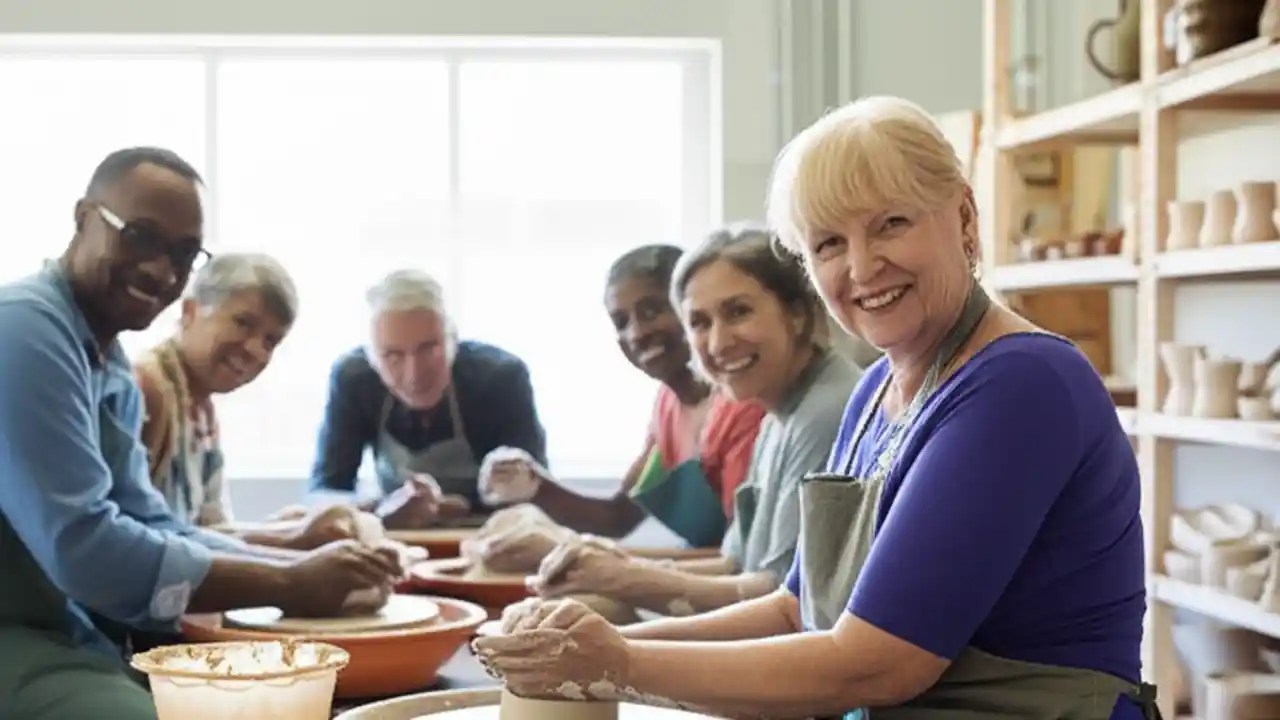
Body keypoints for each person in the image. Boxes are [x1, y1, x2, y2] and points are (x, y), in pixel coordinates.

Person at [474, 96, 1158, 719]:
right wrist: (591, 643)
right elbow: (795, 609)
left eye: (890, 223)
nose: (861, 268)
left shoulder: (1020, 384)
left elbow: (878, 662)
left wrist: (615, 666)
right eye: (829, 243)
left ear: (964, 217)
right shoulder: (873, 394)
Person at [0, 147, 403, 720]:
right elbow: (84, 548)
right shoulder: (24, 329)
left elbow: (155, 523)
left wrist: (298, 570)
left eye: (185, 254)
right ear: (83, 217)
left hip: (76, 634)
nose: (163, 270)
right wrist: (290, 581)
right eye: (141, 236)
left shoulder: (105, 358)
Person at [527, 224, 861, 616]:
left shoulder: (825, 414)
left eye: (738, 312)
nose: (718, 344)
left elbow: (785, 599)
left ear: (799, 314)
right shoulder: (775, 415)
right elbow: (735, 563)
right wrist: (615, 567)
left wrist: (623, 579)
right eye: (700, 323)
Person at [475, 244, 767, 552]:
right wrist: (531, 483)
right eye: (621, 322)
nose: (636, 333)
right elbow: (617, 517)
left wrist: (619, 570)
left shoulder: (743, 405)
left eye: (651, 311)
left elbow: (744, 558)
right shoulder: (668, 405)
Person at [134, 252, 349, 549]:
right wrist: (288, 538)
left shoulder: (202, 409)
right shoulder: (147, 391)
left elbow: (207, 533)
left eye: (270, 341)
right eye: (243, 323)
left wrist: (285, 529)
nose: (256, 351)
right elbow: (132, 543)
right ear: (189, 312)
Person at [309, 269, 548, 529]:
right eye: (392, 355)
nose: (414, 375)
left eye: (428, 349)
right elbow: (325, 491)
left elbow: (538, 497)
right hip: (394, 540)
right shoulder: (353, 379)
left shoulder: (500, 378)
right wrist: (381, 508)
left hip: (491, 540)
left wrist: (464, 506)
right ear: (372, 358)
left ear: (452, 340)